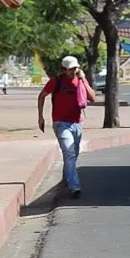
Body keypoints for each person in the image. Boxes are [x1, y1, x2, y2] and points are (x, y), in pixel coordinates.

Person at [36, 56, 95, 199]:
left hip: (77, 123)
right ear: (63, 70)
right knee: (69, 153)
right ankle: (74, 186)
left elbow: (92, 98)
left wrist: (83, 80)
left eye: (75, 69)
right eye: (70, 70)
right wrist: (40, 116)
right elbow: (42, 96)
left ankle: (66, 181)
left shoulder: (80, 80)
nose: (73, 72)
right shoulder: (56, 82)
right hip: (61, 123)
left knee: (73, 155)